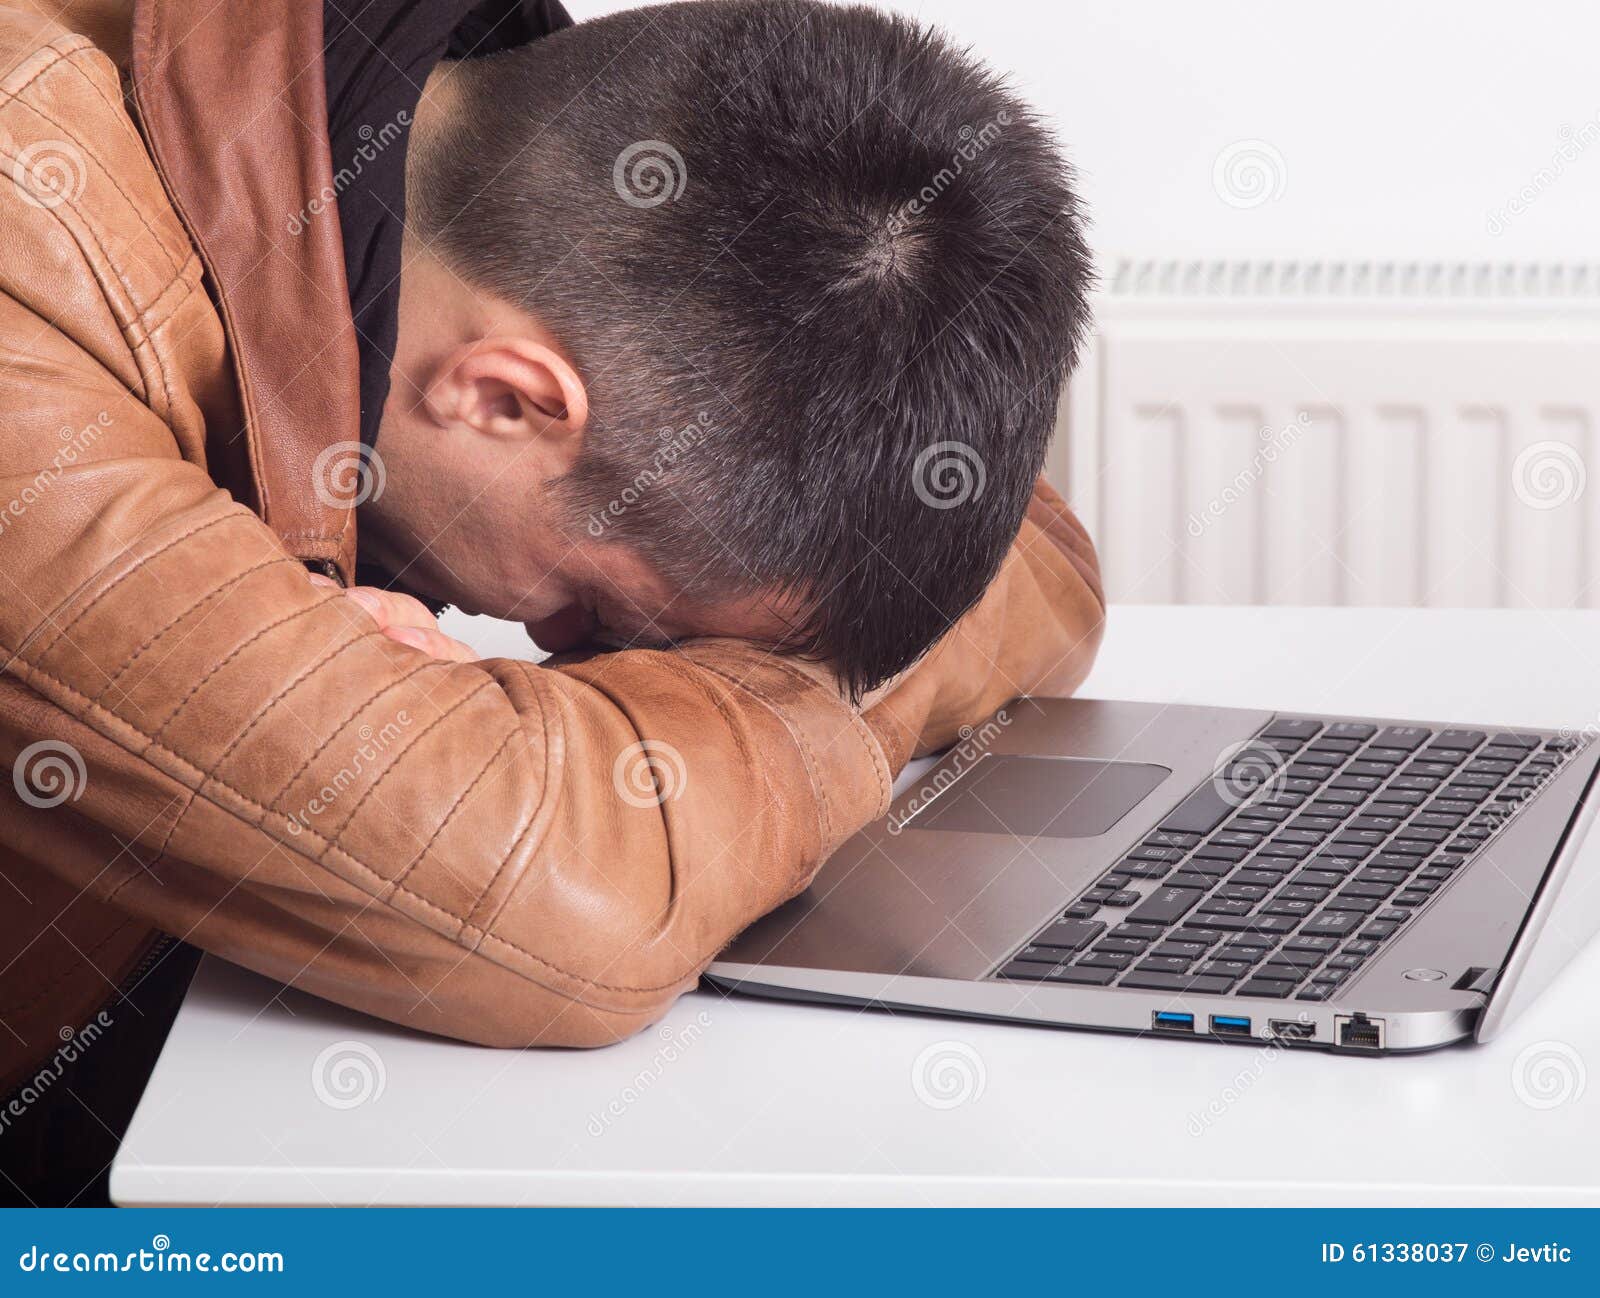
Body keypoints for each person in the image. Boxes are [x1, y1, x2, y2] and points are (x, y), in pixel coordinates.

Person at [0, 0, 1102, 1203]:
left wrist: (705, 701)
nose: (577, 657)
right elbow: (557, 916)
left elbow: (1040, 562)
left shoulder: (438, 140)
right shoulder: (27, 255)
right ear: (505, 397)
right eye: (607, 613)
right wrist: (820, 714)